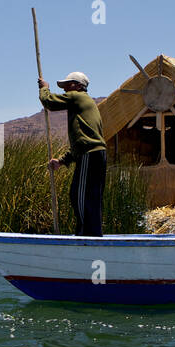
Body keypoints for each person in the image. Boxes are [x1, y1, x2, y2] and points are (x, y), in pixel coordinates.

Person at [39, 71, 107, 236]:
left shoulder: (78, 97)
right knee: (91, 197)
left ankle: (85, 235)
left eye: (68, 85)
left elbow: (49, 102)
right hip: (95, 154)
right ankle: (94, 234)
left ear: (78, 86)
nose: (66, 90)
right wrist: (62, 161)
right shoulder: (84, 106)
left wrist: (44, 89)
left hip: (89, 155)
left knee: (79, 196)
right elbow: (83, 140)